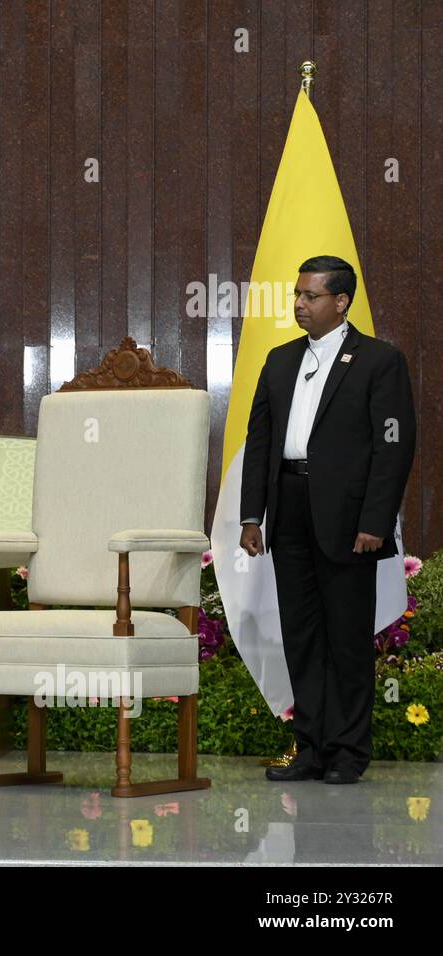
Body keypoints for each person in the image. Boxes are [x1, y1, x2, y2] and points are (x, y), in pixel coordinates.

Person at [240, 255, 416, 785]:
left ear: (341, 302)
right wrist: (252, 516)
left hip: (349, 519)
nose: (299, 304)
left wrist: (376, 520)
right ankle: (311, 747)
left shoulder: (379, 360)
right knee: (302, 634)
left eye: (310, 296)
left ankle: (347, 753)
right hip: (288, 507)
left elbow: (394, 446)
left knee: (346, 638)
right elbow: (260, 443)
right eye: (297, 294)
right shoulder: (278, 360)